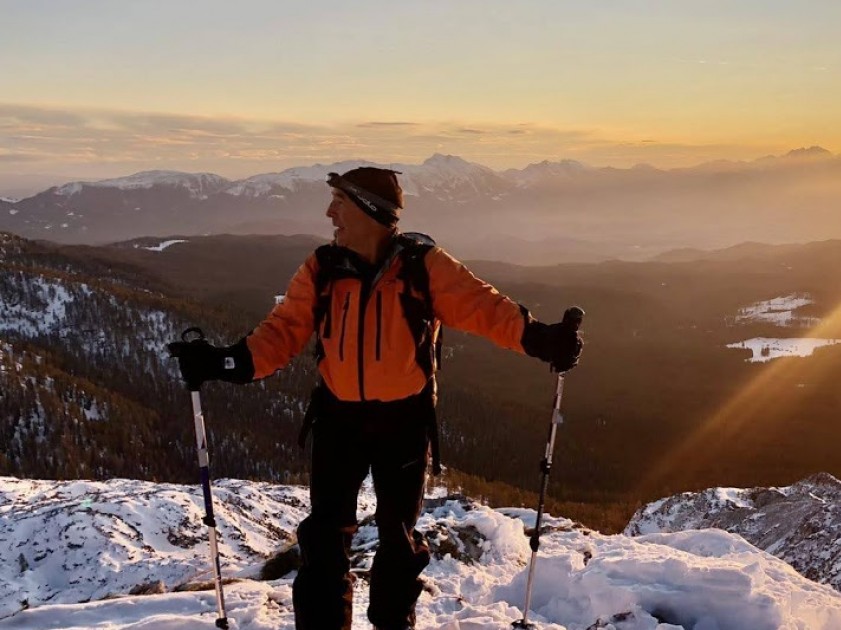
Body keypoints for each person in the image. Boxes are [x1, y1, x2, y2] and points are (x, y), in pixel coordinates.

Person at [168, 166, 583, 630]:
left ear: (369, 210)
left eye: (339, 204)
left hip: (404, 422)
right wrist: (224, 362)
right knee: (325, 538)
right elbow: (281, 333)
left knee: (397, 541)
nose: (330, 214)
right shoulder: (323, 268)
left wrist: (541, 339)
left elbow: (484, 307)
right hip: (337, 419)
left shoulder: (423, 266)